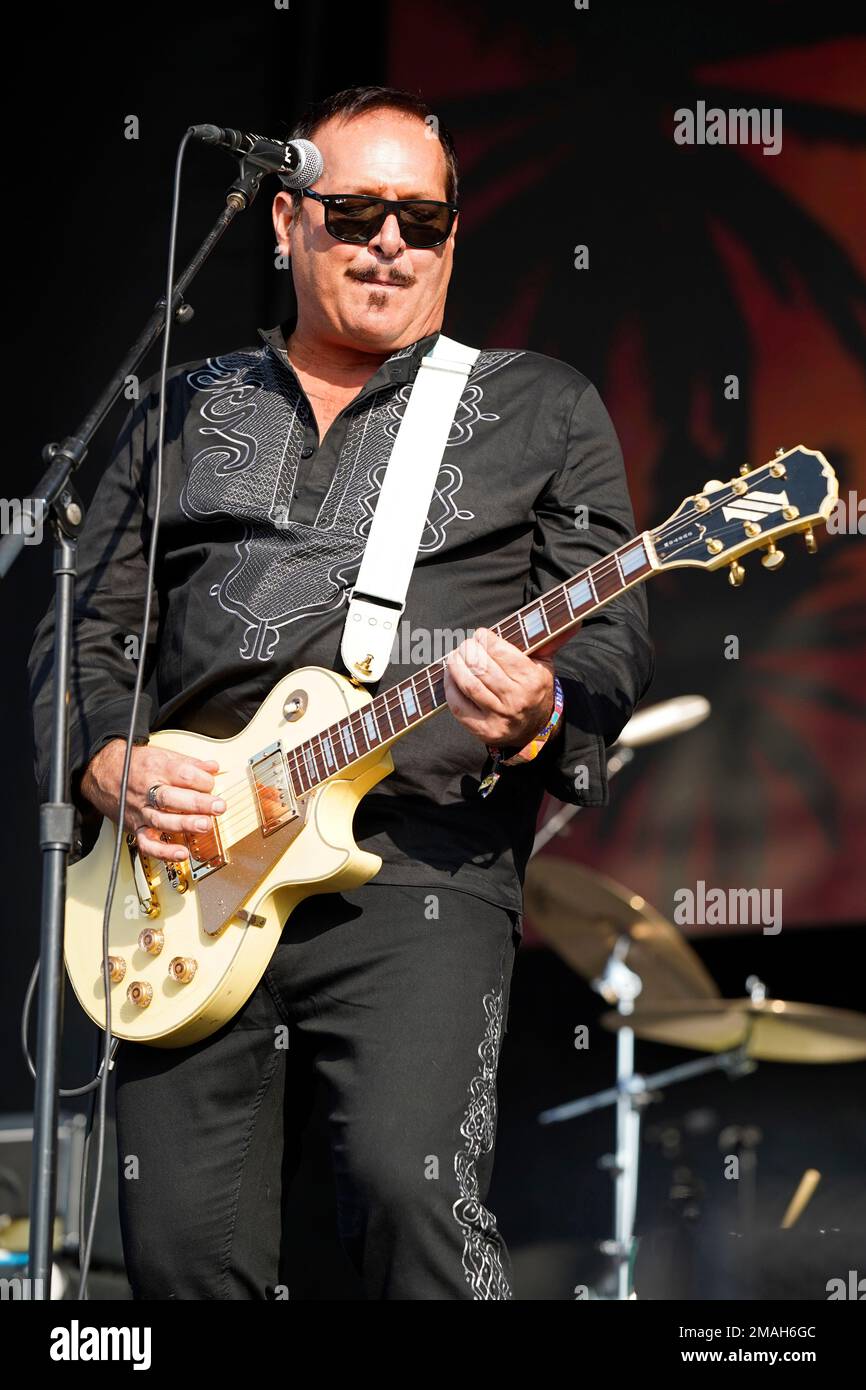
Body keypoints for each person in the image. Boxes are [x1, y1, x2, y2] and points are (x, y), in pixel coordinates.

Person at [28, 85, 653, 1300]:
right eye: (356, 211)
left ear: (452, 240)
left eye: (420, 221)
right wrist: (112, 766)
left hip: (422, 862)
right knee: (176, 1257)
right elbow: (80, 629)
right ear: (283, 220)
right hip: (181, 867)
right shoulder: (179, 406)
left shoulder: (539, 405)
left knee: (412, 1190)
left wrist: (538, 712)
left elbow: (611, 635)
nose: (387, 242)